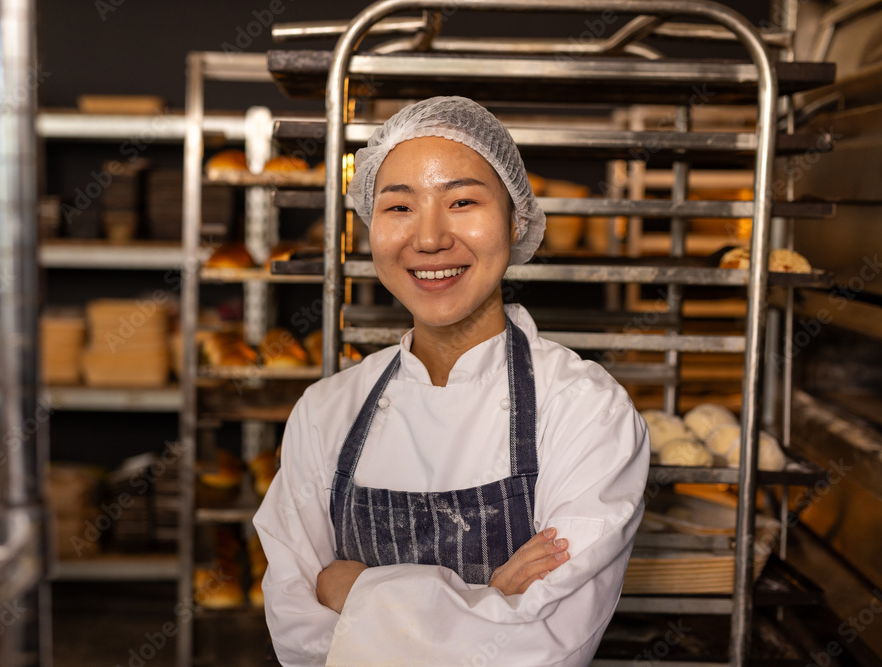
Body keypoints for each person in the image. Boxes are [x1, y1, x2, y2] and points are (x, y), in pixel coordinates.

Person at [253, 96, 649, 666]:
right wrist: (489, 598)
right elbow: (296, 635)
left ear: (516, 222)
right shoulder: (326, 412)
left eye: (462, 201)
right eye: (398, 208)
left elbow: (545, 648)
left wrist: (351, 590)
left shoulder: (586, 411)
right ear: (370, 226)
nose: (431, 238)